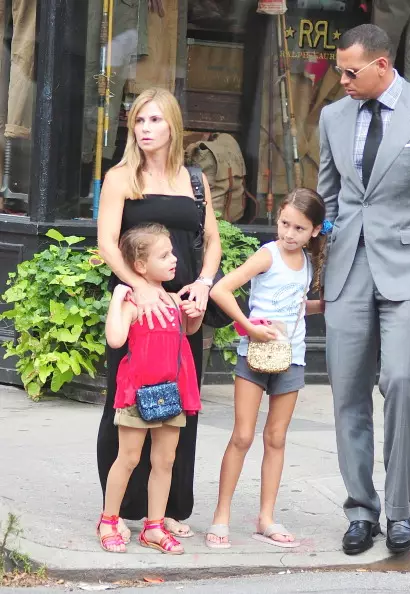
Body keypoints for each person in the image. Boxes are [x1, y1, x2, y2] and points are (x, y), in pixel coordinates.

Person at [317, 24, 410, 555]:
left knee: (403, 381)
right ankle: (361, 511)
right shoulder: (333, 117)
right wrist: (305, 269)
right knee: (348, 395)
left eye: (350, 72)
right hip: (347, 271)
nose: (341, 81)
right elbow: (328, 201)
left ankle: (400, 511)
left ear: (383, 65)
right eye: (339, 70)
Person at [97, 87, 221, 542]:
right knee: (128, 401)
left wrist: (205, 284)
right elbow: (108, 243)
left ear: (172, 126)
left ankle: (164, 511)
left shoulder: (193, 179)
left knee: (178, 404)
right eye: (139, 122)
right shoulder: (121, 177)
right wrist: (140, 286)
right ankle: (118, 509)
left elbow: (211, 241)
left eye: (154, 121)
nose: (145, 129)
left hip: (184, 308)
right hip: (139, 306)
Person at [205, 188, 327, 549]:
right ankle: (221, 516)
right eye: (284, 224)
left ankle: (266, 518)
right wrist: (249, 325)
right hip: (253, 355)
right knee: (242, 436)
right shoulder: (267, 255)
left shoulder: (307, 264)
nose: (288, 234)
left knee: (276, 438)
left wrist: (327, 307)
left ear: (315, 231)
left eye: (299, 229)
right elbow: (221, 290)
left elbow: (296, 307)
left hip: (292, 356)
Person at [98, 223, 202, 553]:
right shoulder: (132, 301)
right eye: (165, 255)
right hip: (136, 394)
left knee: (165, 460)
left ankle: (154, 526)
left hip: (170, 393)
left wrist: (194, 313)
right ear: (141, 266)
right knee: (128, 457)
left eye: (172, 252)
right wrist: (118, 295)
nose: (174, 259)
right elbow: (115, 338)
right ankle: (109, 520)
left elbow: (186, 331)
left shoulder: (172, 298)